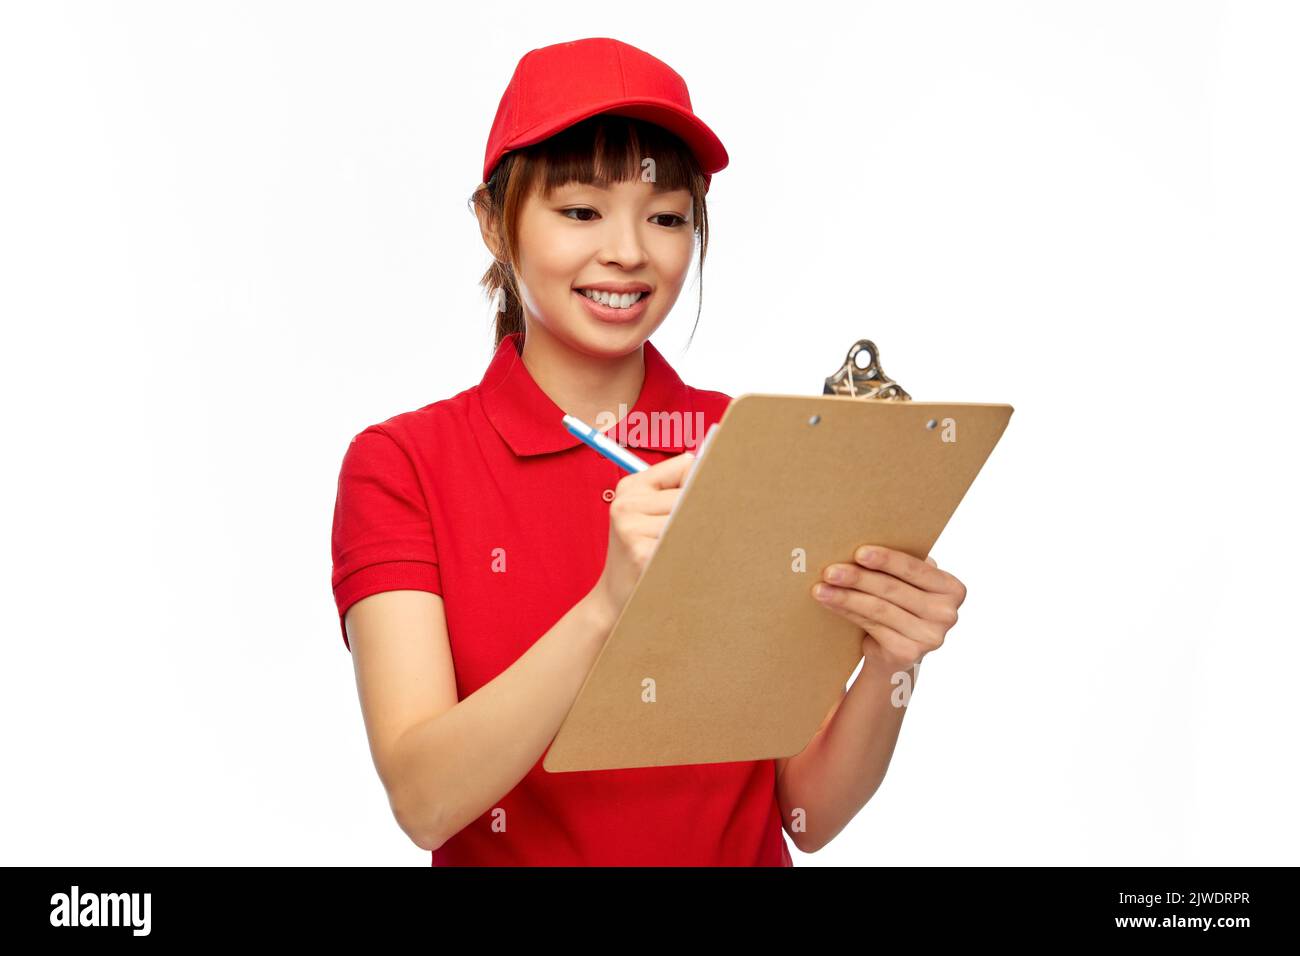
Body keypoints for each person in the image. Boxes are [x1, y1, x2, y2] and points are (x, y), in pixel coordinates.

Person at [330, 37, 969, 866]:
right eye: (580, 211)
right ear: (494, 223)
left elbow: (806, 812)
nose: (630, 252)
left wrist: (891, 662)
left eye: (666, 217)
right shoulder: (403, 465)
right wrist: (607, 608)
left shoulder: (753, 445)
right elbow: (425, 800)